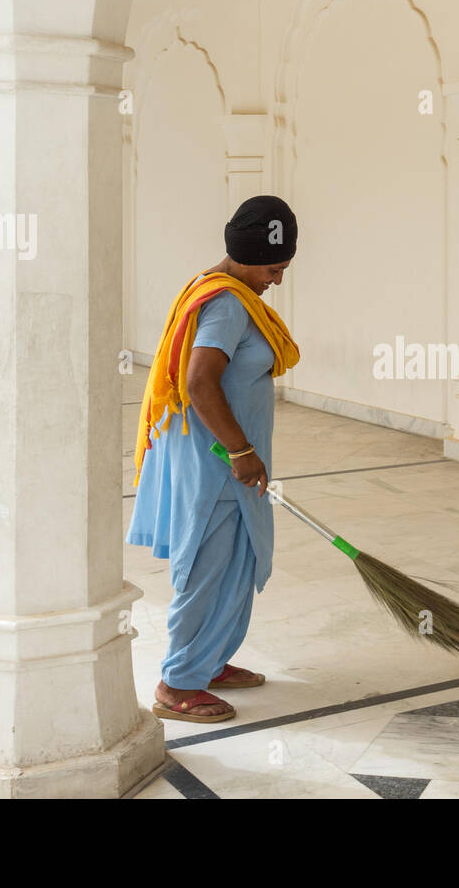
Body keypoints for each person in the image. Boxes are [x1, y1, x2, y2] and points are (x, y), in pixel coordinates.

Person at [126, 195, 301, 723]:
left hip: (226, 459)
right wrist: (242, 452)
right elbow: (199, 381)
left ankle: (210, 661)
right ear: (248, 257)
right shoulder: (226, 303)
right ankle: (177, 683)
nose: (277, 279)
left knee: (235, 560)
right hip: (217, 462)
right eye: (274, 267)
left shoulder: (221, 288)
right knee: (209, 565)